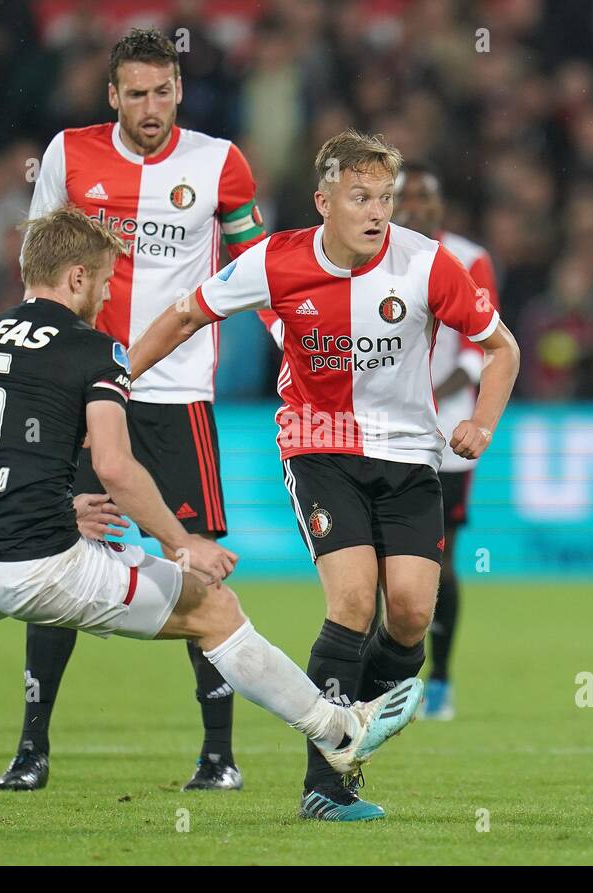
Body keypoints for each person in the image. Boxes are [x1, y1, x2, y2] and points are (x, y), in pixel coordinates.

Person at [0, 206, 422, 828]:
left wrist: (12, 501)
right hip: (41, 565)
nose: (107, 296)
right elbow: (114, 465)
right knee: (212, 608)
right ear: (76, 276)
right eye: (104, 282)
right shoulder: (93, 350)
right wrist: (180, 540)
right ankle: (339, 731)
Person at [128, 130, 520, 821]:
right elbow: (189, 312)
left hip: (409, 455)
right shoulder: (276, 262)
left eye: (386, 199)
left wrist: (482, 424)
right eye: (360, 197)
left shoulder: (426, 264)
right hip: (318, 447)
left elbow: (501, 348)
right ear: (324, 201)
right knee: (352, 604)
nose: (377, 212)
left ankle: (359, 724)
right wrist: (116, 380)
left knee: (411, 615)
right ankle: (323, 785)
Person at [1, 28, 277, 793]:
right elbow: (38, 269)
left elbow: (257, 268)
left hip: (178, 394)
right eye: (136, 93)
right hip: (84, 391)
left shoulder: (220, 162)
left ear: (179, 90)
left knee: (195, 562)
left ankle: (218, 757)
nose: (150, 108)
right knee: (57, 562)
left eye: (163, 92)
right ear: (112, 95)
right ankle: (32, 750)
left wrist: (298, 342)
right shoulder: (67, 154)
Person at [392, 161, 501, 720]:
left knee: (443, 557)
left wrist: (423, 394)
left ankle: (440, 680)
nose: (414, 205)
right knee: (388, 561)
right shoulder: (376, 254)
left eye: (424, 196)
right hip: (389, 426)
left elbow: (476, 352)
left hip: (449, 430)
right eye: (404, 195)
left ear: (440, 207)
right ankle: (391, 680)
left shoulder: (469, 257)